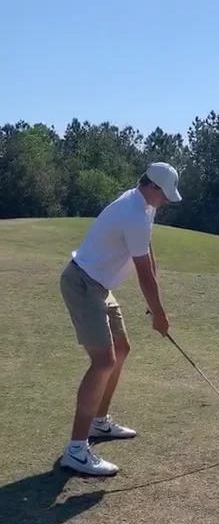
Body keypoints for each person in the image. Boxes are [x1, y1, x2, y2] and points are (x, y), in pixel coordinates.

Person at [59, 162, 182, 476]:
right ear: (151, 187)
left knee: (121, 349)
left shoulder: (144, 208)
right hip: (84, 284)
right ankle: (75, 449)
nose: (166, 201)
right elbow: (143, 275)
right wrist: (159, 314)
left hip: (100, 287)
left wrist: (158, 306)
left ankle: (98, 422)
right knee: (103, 361)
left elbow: (148, 254)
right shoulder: (132, 212)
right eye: (164, 195)